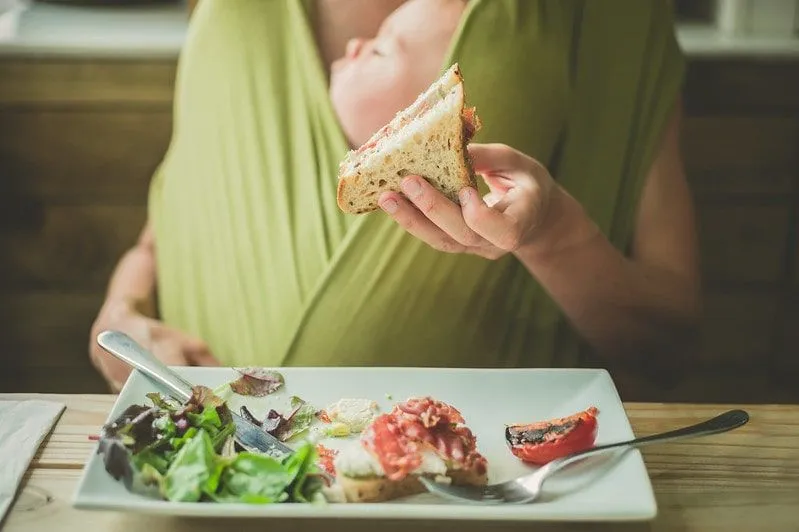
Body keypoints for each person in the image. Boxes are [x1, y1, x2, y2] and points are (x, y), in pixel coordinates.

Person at [89, 0, 700, 392]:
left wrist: (554, 234)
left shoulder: (609, 23)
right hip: (194, 477)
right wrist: (120, 315)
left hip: (487, 491)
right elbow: (174, 224)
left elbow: (666, 341)